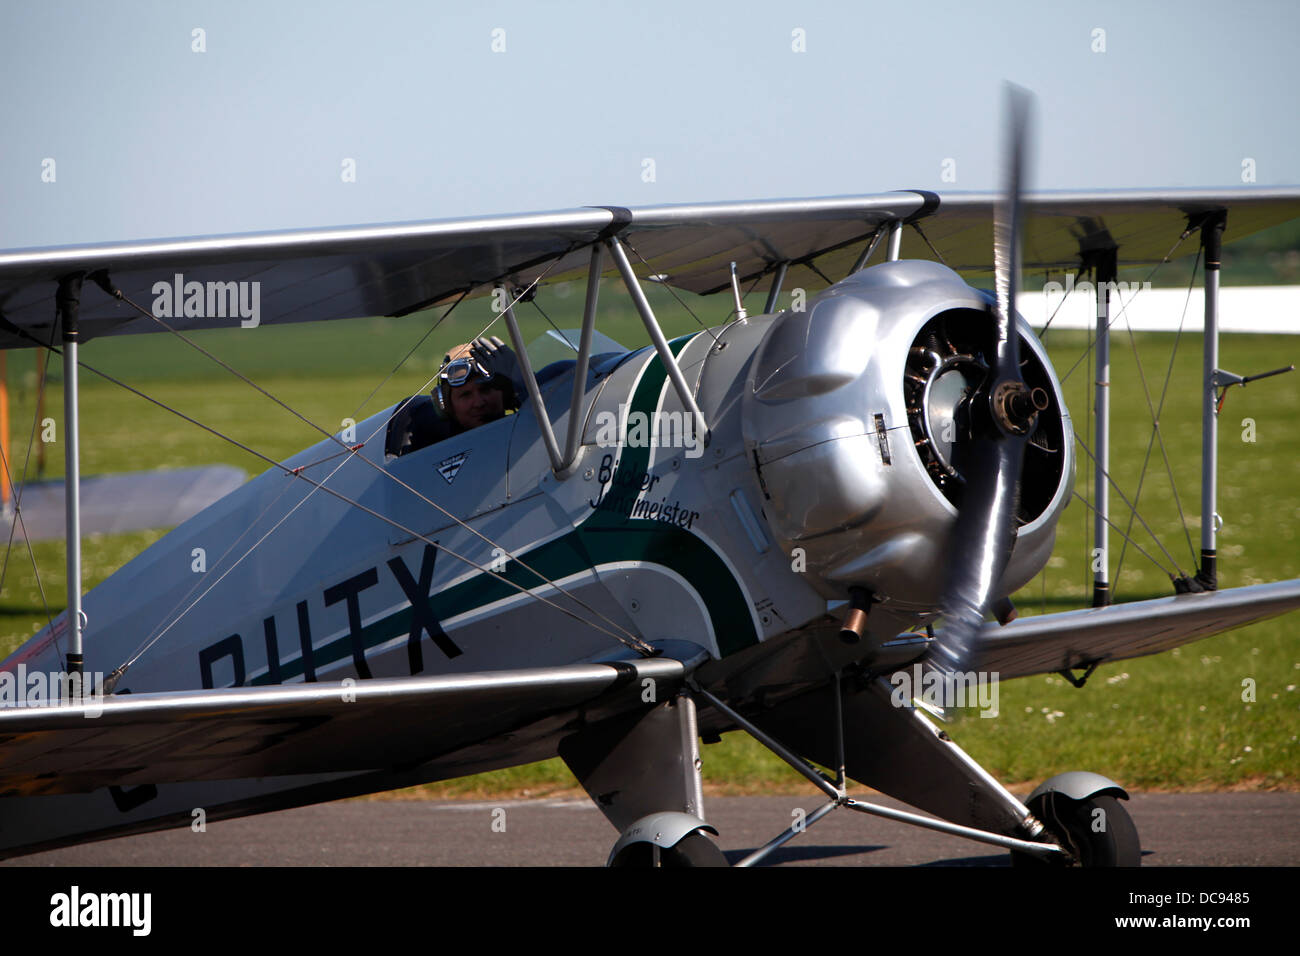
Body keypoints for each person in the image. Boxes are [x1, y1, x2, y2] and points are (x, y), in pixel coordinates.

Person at [385, 336, 525, 457]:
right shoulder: (434, 453)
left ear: (505, 393)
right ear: (445, 404)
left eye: (486, 390)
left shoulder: (527, 433)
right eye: (466, 395)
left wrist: (524, 386)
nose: (478, 403)